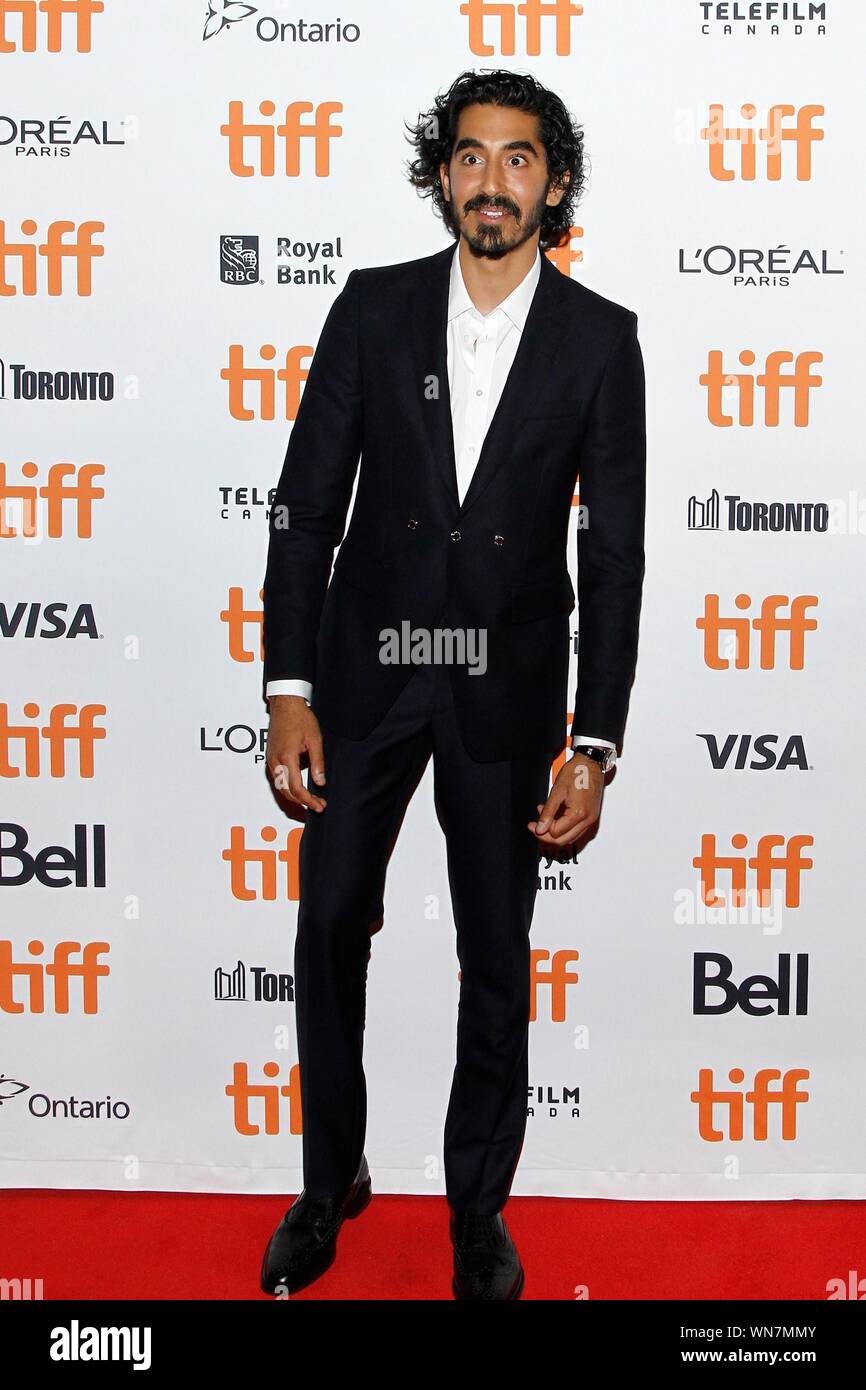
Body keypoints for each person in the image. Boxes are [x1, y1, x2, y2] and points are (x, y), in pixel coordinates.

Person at [259, 68, 646, 1300]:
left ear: (556, 181)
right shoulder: (370, 311)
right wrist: (287, 687)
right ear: (442, 175)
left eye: (518, 158)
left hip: (506, 692)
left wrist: (594, 744)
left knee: (494, 952)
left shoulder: (600, 339)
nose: (492, 180)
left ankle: (476, 1210)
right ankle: (329, 1187)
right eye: (470, 157)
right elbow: (305, 508)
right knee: (327, 930)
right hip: (367, 681)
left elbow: (615, 552)